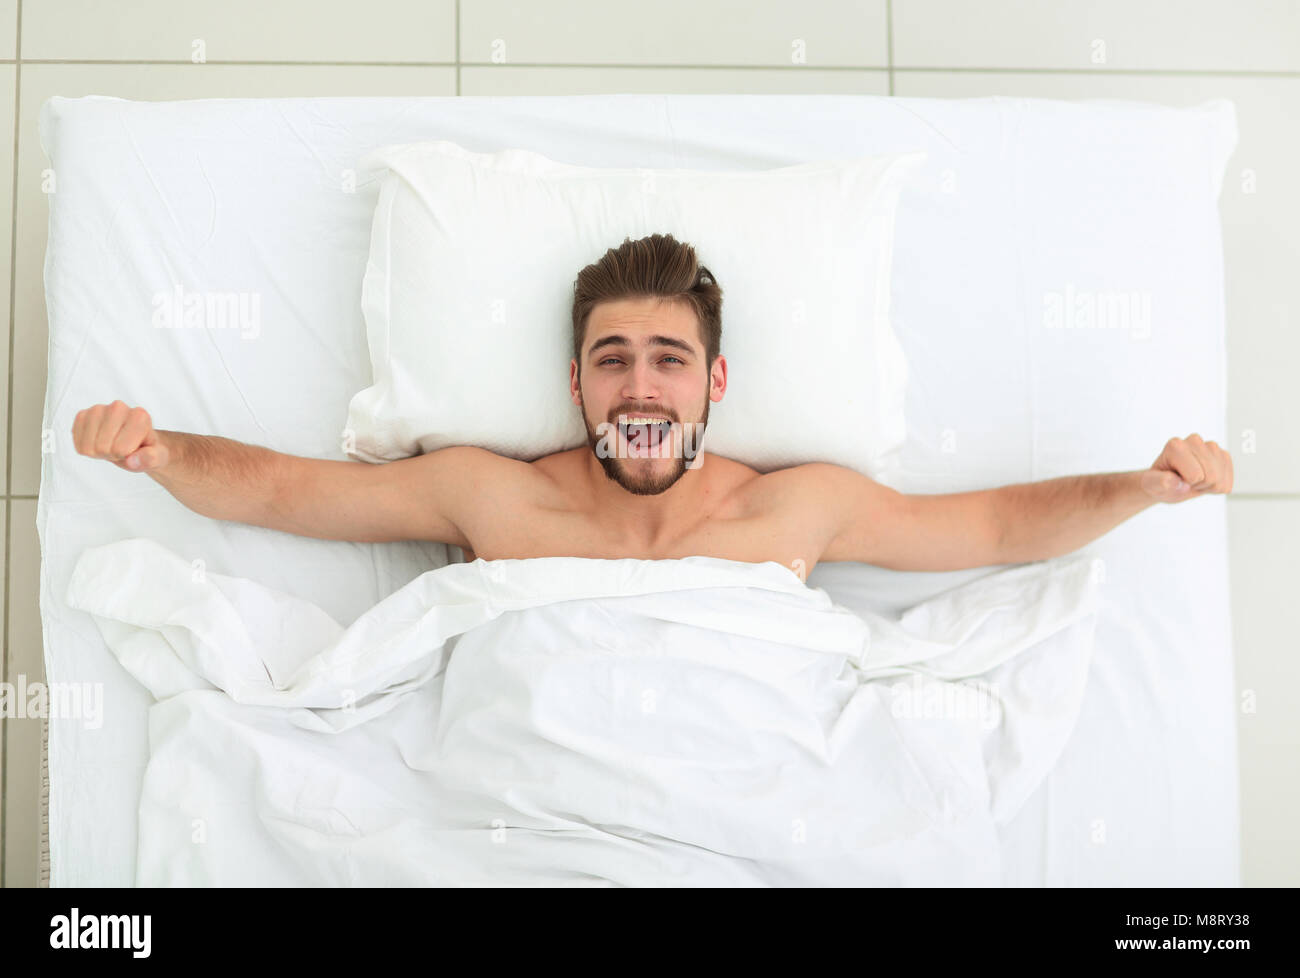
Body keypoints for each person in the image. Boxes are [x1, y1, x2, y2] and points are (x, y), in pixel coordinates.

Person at [71, 233, 1233, 578]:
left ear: (714, 385)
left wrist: (1139, 487)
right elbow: (283, 489)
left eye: (669, 360)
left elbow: (986, 529)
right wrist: (159, 450)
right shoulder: (489, 494)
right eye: (613, 359)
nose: (640, 384)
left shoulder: (795, 512)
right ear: (575, 387)